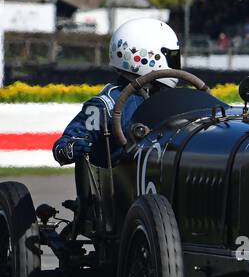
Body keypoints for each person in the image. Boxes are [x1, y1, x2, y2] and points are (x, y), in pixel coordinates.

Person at [52, 18, 180, 166]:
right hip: (123, 184)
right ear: (146, 55)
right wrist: (73, 146)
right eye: (171, 57)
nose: (174, 63)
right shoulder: (107, 104)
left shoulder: (170, 99)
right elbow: (63, 146)